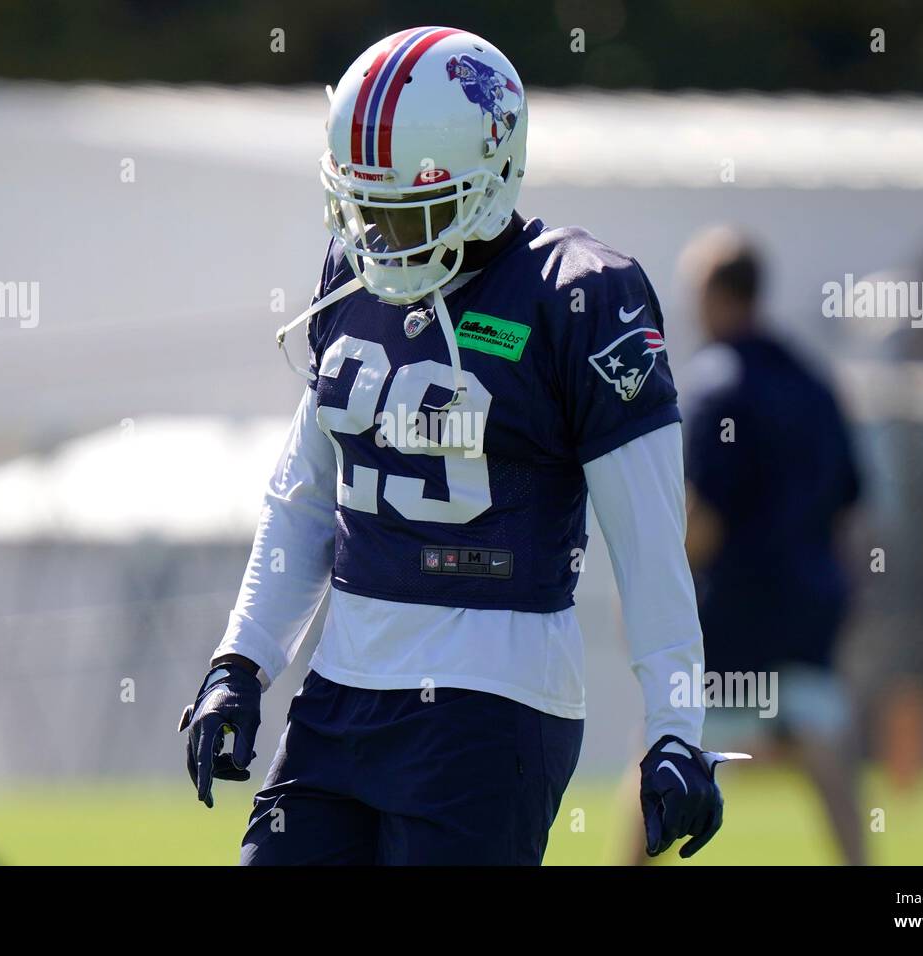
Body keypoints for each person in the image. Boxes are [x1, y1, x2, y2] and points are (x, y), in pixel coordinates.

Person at [179, 27, 733, 865]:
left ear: (493, 172)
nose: (384, 234)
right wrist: (242, 661)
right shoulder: (352, 271)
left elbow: (650, 545)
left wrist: (676, 729)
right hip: (342, 694)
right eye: (368, 204)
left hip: (494, 705)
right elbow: (305, 493)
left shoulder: (577, 295)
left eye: (411, 205)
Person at [651, 226, 864, 864]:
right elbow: (852, 513)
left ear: (716, 295)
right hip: (808, 609)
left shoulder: (718, 382)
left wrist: (657, 598)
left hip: (735, 614)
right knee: (825, 759)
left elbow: (704, 520)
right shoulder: (815, 382)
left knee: (668, 757)